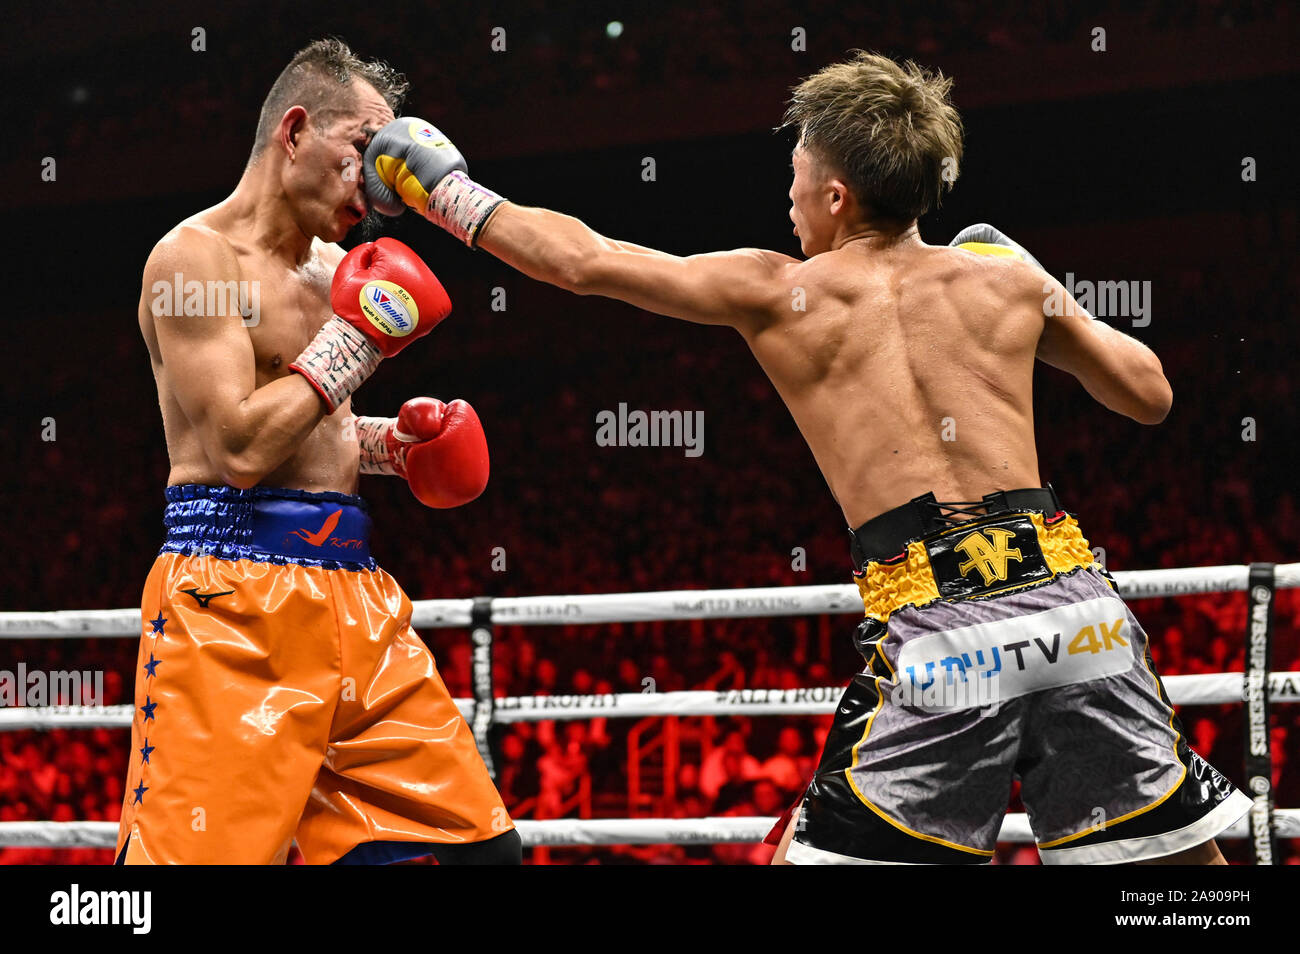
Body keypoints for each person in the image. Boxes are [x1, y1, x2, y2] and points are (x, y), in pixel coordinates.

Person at [359, 50, 1251, 865]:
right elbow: (1150, 394)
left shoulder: (779, 292)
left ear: (835, 196)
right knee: (1178, 886)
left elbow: (586, 262)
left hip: (941, 627)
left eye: (794, 176)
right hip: (1079, 610)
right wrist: (1045, 286)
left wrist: (449, 194)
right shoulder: (1004, 280)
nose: (786, 200)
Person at [116, 39, 519, 865]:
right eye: (362, 154)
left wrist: (396, 449)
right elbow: (238, 446)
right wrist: (361, 342)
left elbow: (315, 430)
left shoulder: (338, 267)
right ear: (293, 131)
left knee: (471, 853)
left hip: (356, 599)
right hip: (231, 599)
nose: (376, 191)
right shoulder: (193, 260)